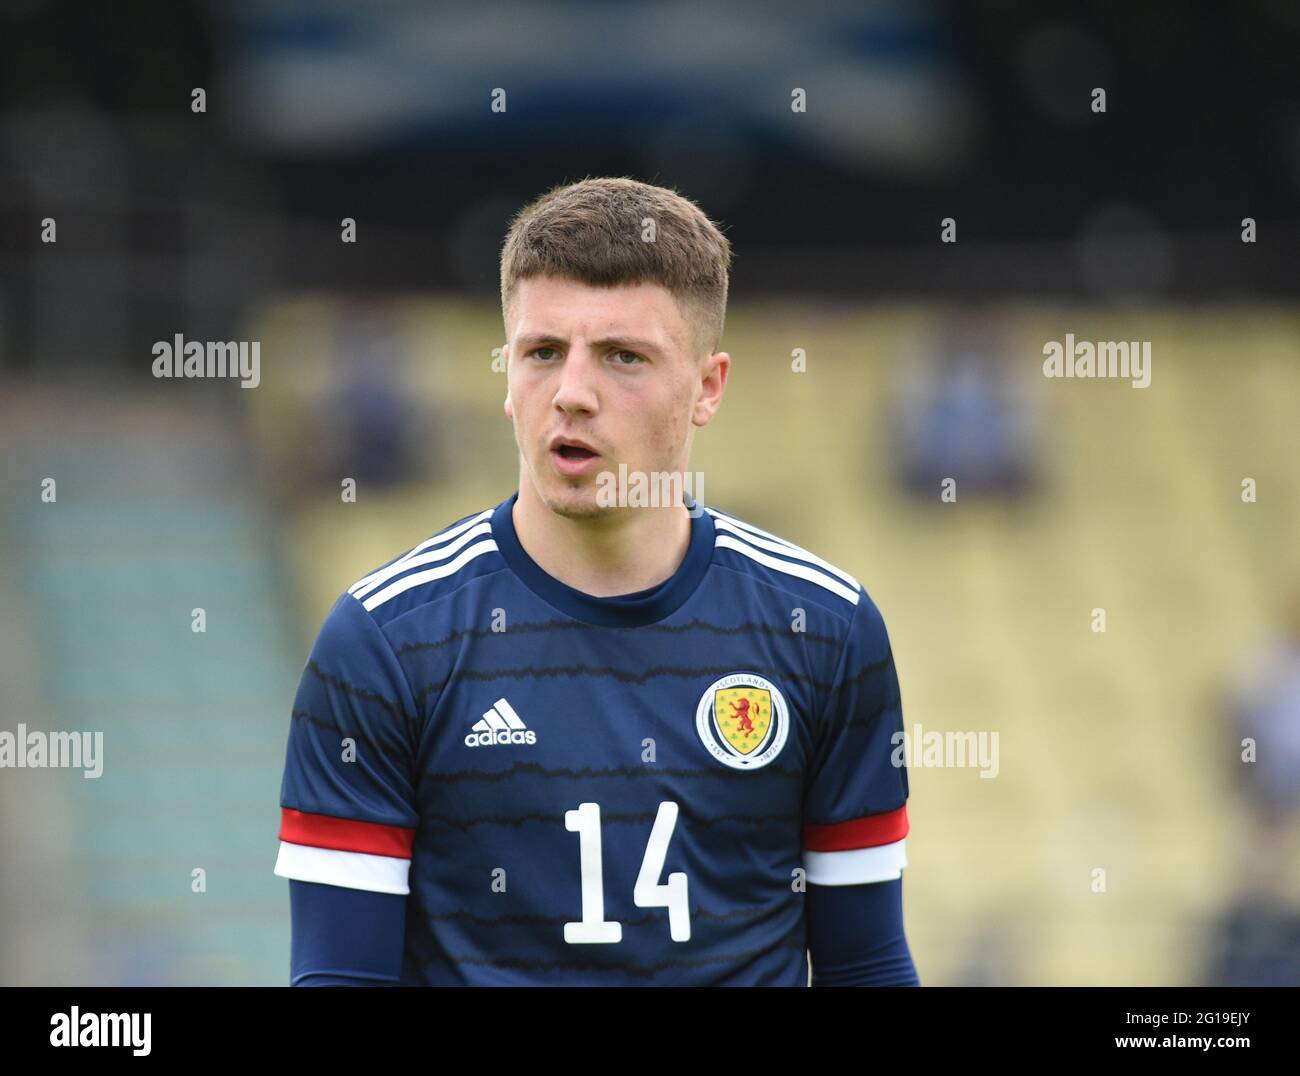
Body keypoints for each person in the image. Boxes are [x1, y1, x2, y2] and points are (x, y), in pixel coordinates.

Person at [273, 177, 919, 986]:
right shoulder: (386, 642)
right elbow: (340, 979)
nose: (572, 394)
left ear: (707, 387)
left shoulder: (824, 629)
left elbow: (867, 963)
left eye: (623, 357)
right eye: (543, 353)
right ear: (507, 377)